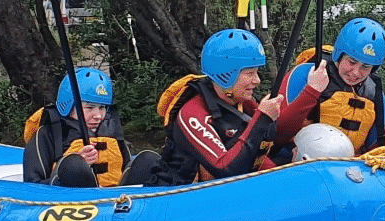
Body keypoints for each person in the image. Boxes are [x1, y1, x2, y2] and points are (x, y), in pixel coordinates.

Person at [124, 28, 329, 186]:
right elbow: (226, 168)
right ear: (225, 74)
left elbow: (269, 141)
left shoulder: (242, 103)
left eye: (256, 72)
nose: (257, 81)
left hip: (222, 194)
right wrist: (262, 118)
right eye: (249, 73)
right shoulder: (192, 113)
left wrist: (311, 91)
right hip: (181, 197)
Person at [282, 16, 385, 155]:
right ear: (339, 54)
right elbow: (277, 135)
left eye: (365, 66)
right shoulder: (304, 75)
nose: (356, 72)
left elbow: (380, 151)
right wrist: (312, 91)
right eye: (351, 62)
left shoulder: (374, 93)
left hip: (346, 169)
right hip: (297, 162)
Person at [23, 67, 130, 187]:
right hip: (70, 200)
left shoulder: (110, 130)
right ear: (68, 105)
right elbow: (31, 186)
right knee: (74, 165)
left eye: (102, 107)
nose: (98, 116)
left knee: (149, 160)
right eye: (89, 108)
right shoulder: (47, 134)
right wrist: (73, 167)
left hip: (117, 198)